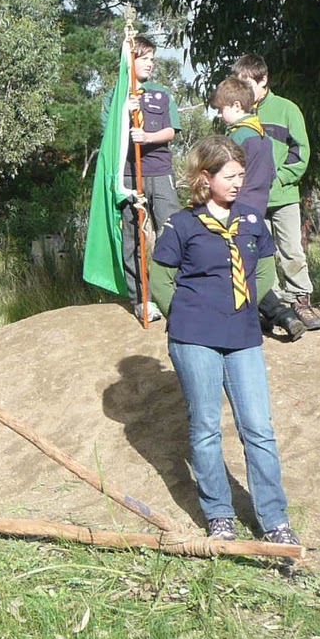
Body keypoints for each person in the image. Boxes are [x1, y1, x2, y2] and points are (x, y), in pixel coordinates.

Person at [149, 135, 301, 548]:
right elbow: (161, 277)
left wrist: (246, 304)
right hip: (194, 337)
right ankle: (219, 514)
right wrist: (185, 313)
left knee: (259, 429)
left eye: (240, 175)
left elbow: (265, 272)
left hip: (244, 337)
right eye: (229, 176)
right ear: (205, 177)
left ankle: (274, 519)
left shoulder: (253, 221)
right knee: (205, 430)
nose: (237, 183)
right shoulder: (182, 225)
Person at [231, 54, 320, 331]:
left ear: (264, 80)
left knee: (292, 251)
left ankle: (301, 302)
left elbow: (301, 150)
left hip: (283, 198)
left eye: (247, 83)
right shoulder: (239, 116)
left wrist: (281, 179)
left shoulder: (287, 109)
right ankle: (271, 308)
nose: (242, 89)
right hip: (251, 201)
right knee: (261, 254)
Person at [210, 77, 308, 341]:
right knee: (249, 266)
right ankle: (264, 316)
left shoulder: (239, 136)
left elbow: (227, 174)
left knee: (242, 268)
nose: (220, 114)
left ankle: (282, 316)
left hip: (238, 210)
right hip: (257, 207)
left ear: (237, 105)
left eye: (222, 109)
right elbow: (268, 175)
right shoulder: (261, 135)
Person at [121, 35, 181, 322]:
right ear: (129, 60)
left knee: (172, 231)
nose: (150, 64)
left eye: (152, 59)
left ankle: (176, 294)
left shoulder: (161, 93)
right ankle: (141, 299)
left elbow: (170, 131)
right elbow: (109, 139)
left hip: (159, 171)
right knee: (133, 237)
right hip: (129, 175)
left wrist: (147, 137)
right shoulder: (117, 95)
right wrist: (125, 113)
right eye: (144, 58)